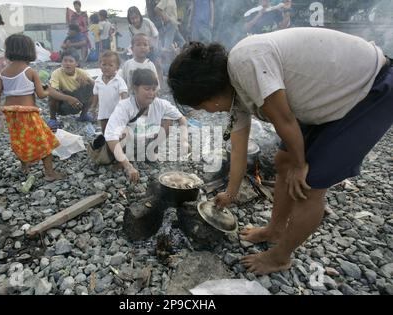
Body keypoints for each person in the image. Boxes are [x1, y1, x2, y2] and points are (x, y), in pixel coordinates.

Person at [168, 28, 393, 275]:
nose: (207, 112)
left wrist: (300, 165)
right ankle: (275, 230)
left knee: (308, 184)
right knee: (282, 160)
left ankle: (280, 257)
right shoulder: (235, 92)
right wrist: (230, 193)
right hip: (329, 96)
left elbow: (284, 120)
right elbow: (238, 150)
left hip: (367, 89)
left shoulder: (246, 62)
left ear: (209, 94)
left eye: (201, 106)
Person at [0, 34, 64, 181]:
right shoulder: (30, 71)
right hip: (28, 114)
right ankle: (49, 173)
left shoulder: (3, 73)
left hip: (11, 113)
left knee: (19, 139)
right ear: (29, 51)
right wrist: (48, 90)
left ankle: (24, 167)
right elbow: (41, 94)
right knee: (43, 141)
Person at [105, 68, 188, 183]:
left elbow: (181, 119)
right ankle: (123, 160)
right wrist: (129, 167)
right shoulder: (124, 107)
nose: (151, 93)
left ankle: (151, 151)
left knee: (169, 120)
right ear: (135, 88)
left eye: (154, 89)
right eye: (147, 89)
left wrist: (184, 141)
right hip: (128, 142)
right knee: (121, 131)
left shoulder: (160, 104)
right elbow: (110, 136)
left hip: (146, 139)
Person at [47, 48, 95, 130]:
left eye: (71, 61)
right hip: (63, 105)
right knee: (52, 93)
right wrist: (68, 98)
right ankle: (53, 119)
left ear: (76, 63)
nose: (67, 63)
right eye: (65, 60)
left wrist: (87, 82)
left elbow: (97, 86)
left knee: (91, 87)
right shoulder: (57, 73)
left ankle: (83, 115)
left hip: (78, 104)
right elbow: (51, 91)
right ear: (61, 62)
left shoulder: (81, 73)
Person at [92, 51, 128, 133]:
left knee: (116, 132)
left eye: (110, 65)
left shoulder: (119, 80)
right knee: (105, 131)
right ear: (99, 65)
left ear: (117, 67)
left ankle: (117, 145)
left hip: (116, 113)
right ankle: (107, 145)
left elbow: (124, 93)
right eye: (104, 64)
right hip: (103, 113)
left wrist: (125, 108)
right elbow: (95, 95)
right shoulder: (98, 81)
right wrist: (93, 108)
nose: (106, 67)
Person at [127, 6, 163, 86]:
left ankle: (160, 85)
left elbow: (156, 35)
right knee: (143, 67)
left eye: (136, 17)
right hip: (141, 50)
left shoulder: (147, 22)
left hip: (153, 47)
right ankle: (145, 85)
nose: (135, 20)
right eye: (132, 18)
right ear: (129, 19)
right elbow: (133, 41)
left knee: (157, 66)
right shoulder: (130, 28)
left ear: (140, 16)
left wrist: (153, 48)